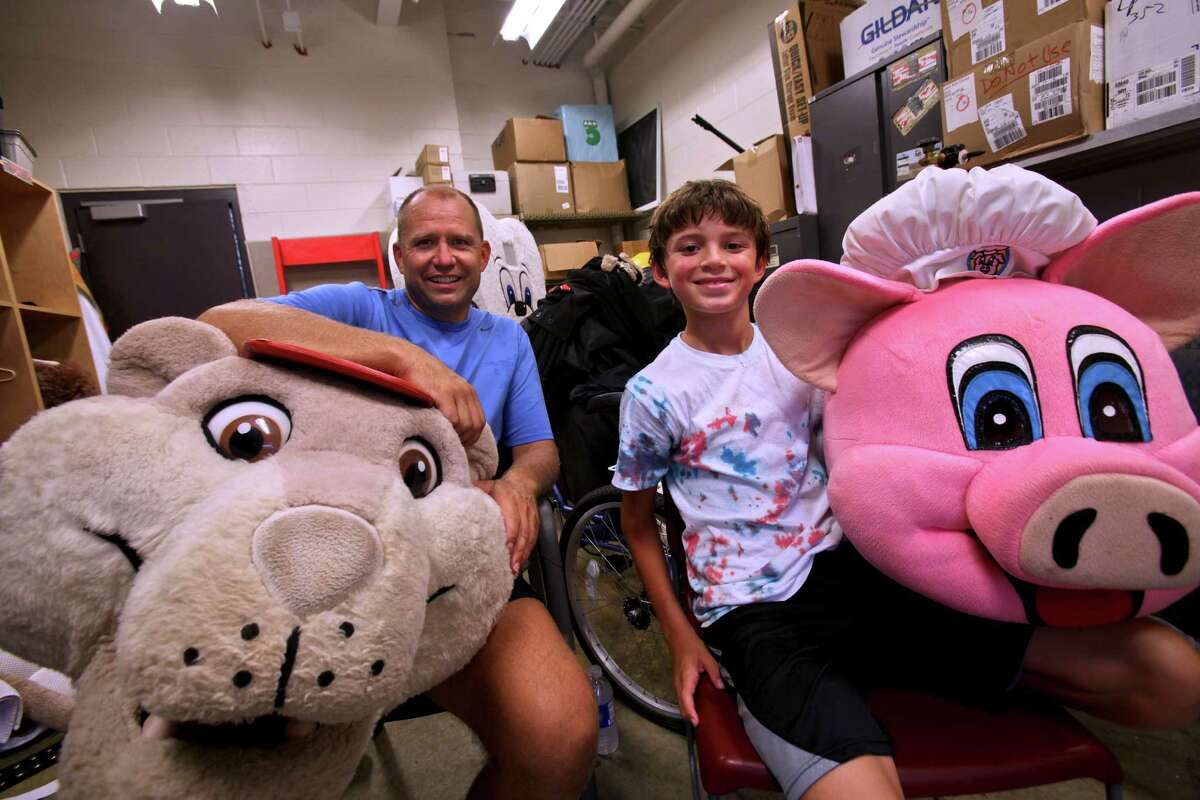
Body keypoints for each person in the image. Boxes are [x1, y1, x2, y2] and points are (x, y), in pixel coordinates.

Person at [613, 179, 1200, 800]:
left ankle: (975, 673)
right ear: (659, 271)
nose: (711, 260)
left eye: (732, 244)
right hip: (756, 609)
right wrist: (680, 638)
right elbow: (636, 524)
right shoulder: (655, 393)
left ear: (762, 262)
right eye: (688, 246)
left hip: (864, 575)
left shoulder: (809, 350)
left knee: (1166, 673)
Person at [199, 184, 596, 800]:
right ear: (398, 256)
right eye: (424, 243)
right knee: (266, 765)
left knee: (561, 737)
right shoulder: (359, 308)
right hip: (331, 567)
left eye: (459, 242)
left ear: (485, 255)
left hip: (456, 573)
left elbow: (539, 448)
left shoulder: (507, 339)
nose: (443, 257)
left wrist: (518, 482)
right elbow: (217, 323)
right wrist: (403, 359)